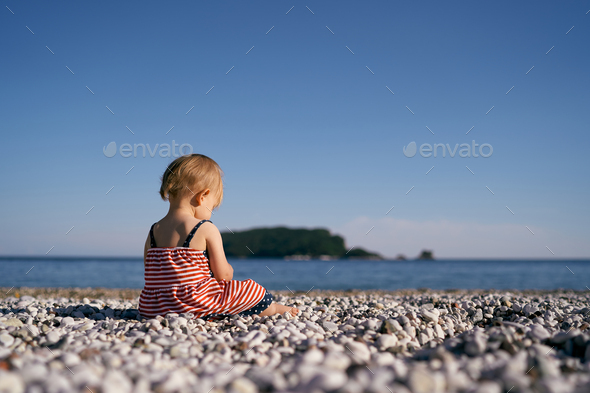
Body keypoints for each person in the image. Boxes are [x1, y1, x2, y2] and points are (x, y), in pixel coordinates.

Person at [138, 154, 299, 320]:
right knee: (250, 290)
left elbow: (150, 272)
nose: (210, 212)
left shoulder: (154, 231)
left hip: (153, 307)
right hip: (195, 303)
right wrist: (229, 270)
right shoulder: (205, 228)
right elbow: (223, 276)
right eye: (212, 207)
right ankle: (273, 309)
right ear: (203, 196)